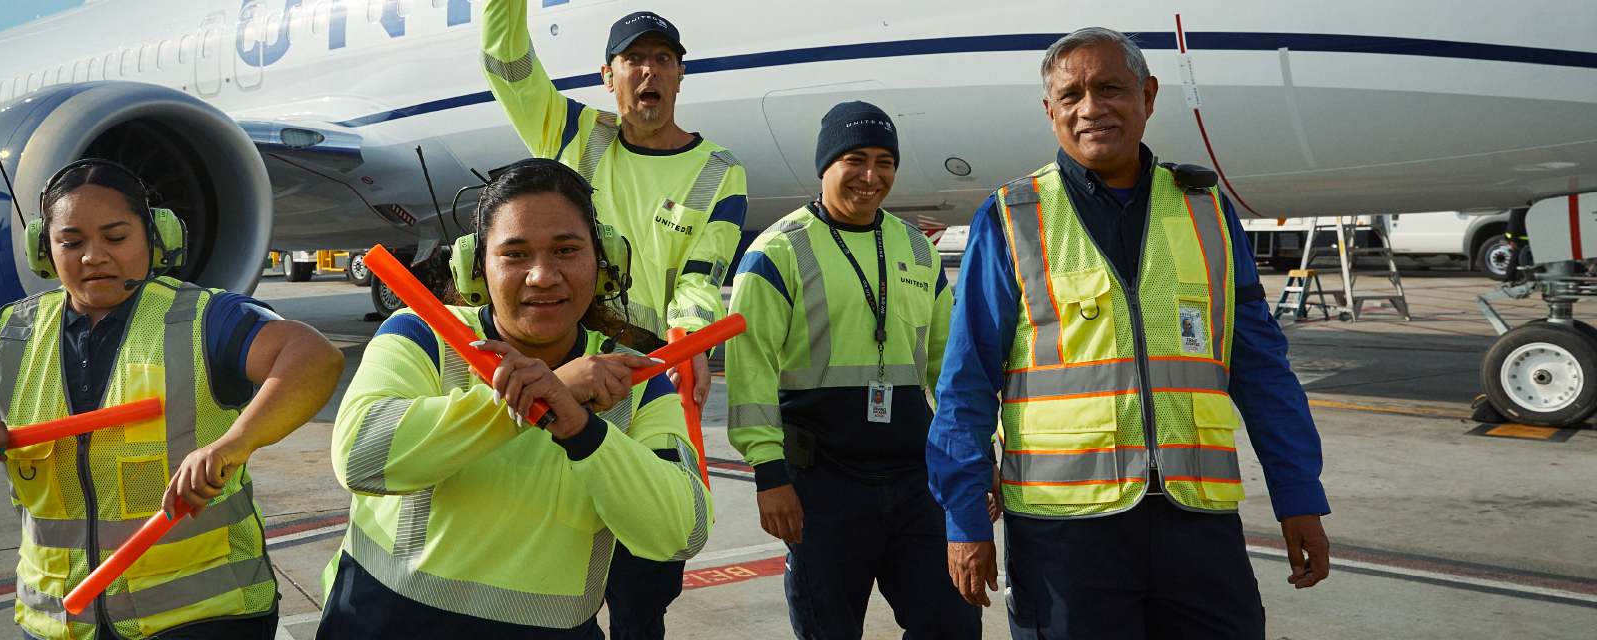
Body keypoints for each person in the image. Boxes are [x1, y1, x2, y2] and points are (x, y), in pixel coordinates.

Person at [928, 27, 1333, 639]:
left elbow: (1261, 369)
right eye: (1071, 96)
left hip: (1197, 522)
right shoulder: (1013, 217)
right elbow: (966, 386)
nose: (1091, 108)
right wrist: (965, 522)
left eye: (1110, 88)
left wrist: (1298, 492)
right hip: (1065, 532)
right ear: (1051, 111)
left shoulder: (1206, 211)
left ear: (1147, 94)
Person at [0, 159, 344, 640]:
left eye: (116, 238)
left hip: (200, 617)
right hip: (61, 622)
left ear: (154, 238)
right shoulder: (9, 335)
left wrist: (235, 444)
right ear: (43, 250)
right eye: (71, 243)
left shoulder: (203, 319)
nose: (93, 256)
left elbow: (313, 357)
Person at [318, 159, 711, 640]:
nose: (543, 276)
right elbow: (361, 456)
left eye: (567, 250)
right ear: (477, 267)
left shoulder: (635, 380)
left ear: (605, 261)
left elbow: (681, 533)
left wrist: (584, 433)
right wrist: (533, 401)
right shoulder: (423, 336)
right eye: (515, 254)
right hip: (387, 624)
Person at [479, 3, 746, 634]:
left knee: (648, 569)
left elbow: (702, 279)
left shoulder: (719, 170)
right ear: (608, 74)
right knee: (549, 540)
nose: (647, 72)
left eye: (662, 60)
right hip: (563, 364)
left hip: (648, 373)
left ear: (680, 76)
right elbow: (506, 65)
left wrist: (689, 344)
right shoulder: (573, 131)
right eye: (634, 60)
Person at [725, 102, 974, 638]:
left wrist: (971, 456)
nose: (871, 176)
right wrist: (770, 475)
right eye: (854, 160)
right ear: (825, 166)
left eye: (885, 162)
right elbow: (751, 374)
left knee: (953, 624)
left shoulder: (915, 248)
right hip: (821, 487)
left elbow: (947, 368)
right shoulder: (777, 253)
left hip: (915, 480)